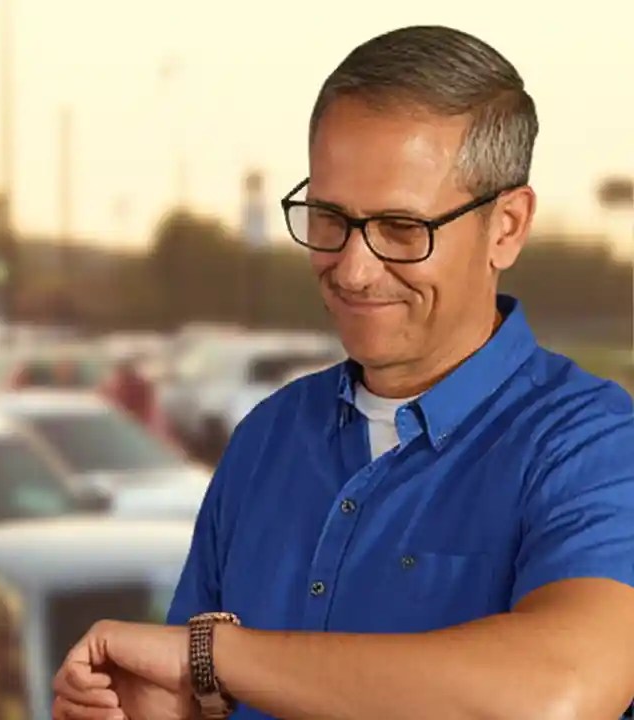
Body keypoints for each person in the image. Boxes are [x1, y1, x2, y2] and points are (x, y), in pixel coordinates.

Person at [51, 25, 634, 720]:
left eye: (402, 229)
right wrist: (147, 704)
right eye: (329, 219)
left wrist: (214, 655)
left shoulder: (595, 450)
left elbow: (559, 694)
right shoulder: (267, 438)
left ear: (506, 226)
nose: (353, 270)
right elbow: (192, 688)